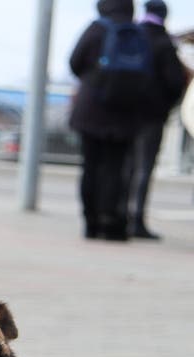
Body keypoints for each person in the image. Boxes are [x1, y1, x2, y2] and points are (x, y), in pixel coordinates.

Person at [69, 0, 144, 241]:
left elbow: (74, 63)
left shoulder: (96, 29)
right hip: (125, 112)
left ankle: (91, 222)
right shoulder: (137, 33)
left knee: (91, 166)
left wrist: (94, 79)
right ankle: (110, 221)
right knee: (117, 169)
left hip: (91, 108)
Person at [128, 1, 187, 239]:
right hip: (152, 116)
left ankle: (118, 215)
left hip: (125, 113)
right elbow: (175, 82)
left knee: (126, 166)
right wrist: (165, 106)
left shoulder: (131, 35)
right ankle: (136, 219)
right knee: (144, 168)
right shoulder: (164, 43)